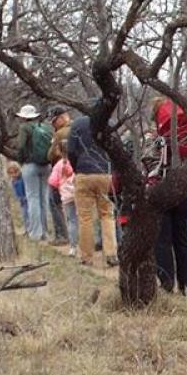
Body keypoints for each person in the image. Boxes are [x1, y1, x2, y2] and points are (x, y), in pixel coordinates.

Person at [150, 97, 187, 295]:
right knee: (184, 238)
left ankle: (166, 283)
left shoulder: (158, 141)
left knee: (162, 240)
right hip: (183, 190)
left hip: (162, 191)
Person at [65, 114, 119, 266]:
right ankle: (111, 254)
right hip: (105, 172)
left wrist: (77, 168)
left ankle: (87, 257)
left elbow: (70, 150)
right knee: (107, 215)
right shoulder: (109, 122)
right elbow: (116, 148)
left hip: (84, 172)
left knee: (85, 218)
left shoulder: (77, 124)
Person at [14, 104, 53, 241]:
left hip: (30, 165)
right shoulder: (45, 127)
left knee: (33, 198)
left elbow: (21, 146)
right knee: (44, 198)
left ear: (23, 117)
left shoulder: (24, 128)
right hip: (46, 165)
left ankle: (35, 233)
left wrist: (20, 161)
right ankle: (45, 232)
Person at [46, 107, 72, 245]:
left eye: (54, 121)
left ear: (62, 118)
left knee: (54, 202)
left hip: (62, 171)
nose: (53, 124)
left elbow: (50, 154)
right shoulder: (77, 128)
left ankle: (62, 235)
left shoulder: (60, 133)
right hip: (77, 170)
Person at [48, 143, 78, 258]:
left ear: (60, 152)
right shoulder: (78, 162)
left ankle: (73, 247)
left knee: (71, 220)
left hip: (66, 195)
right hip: (79, 192)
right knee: (84, 218)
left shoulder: (59, 165)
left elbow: (53, 182)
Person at [7, 161, 28, 229]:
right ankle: (26, 228)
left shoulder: (22, 179)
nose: (13, 175)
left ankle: (29, 228)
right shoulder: (13, 181)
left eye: (15, 172)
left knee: (27, 213)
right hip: (21, 200)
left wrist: (25, 197)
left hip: (26, 199)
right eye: (11, 173)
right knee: (24, 214)